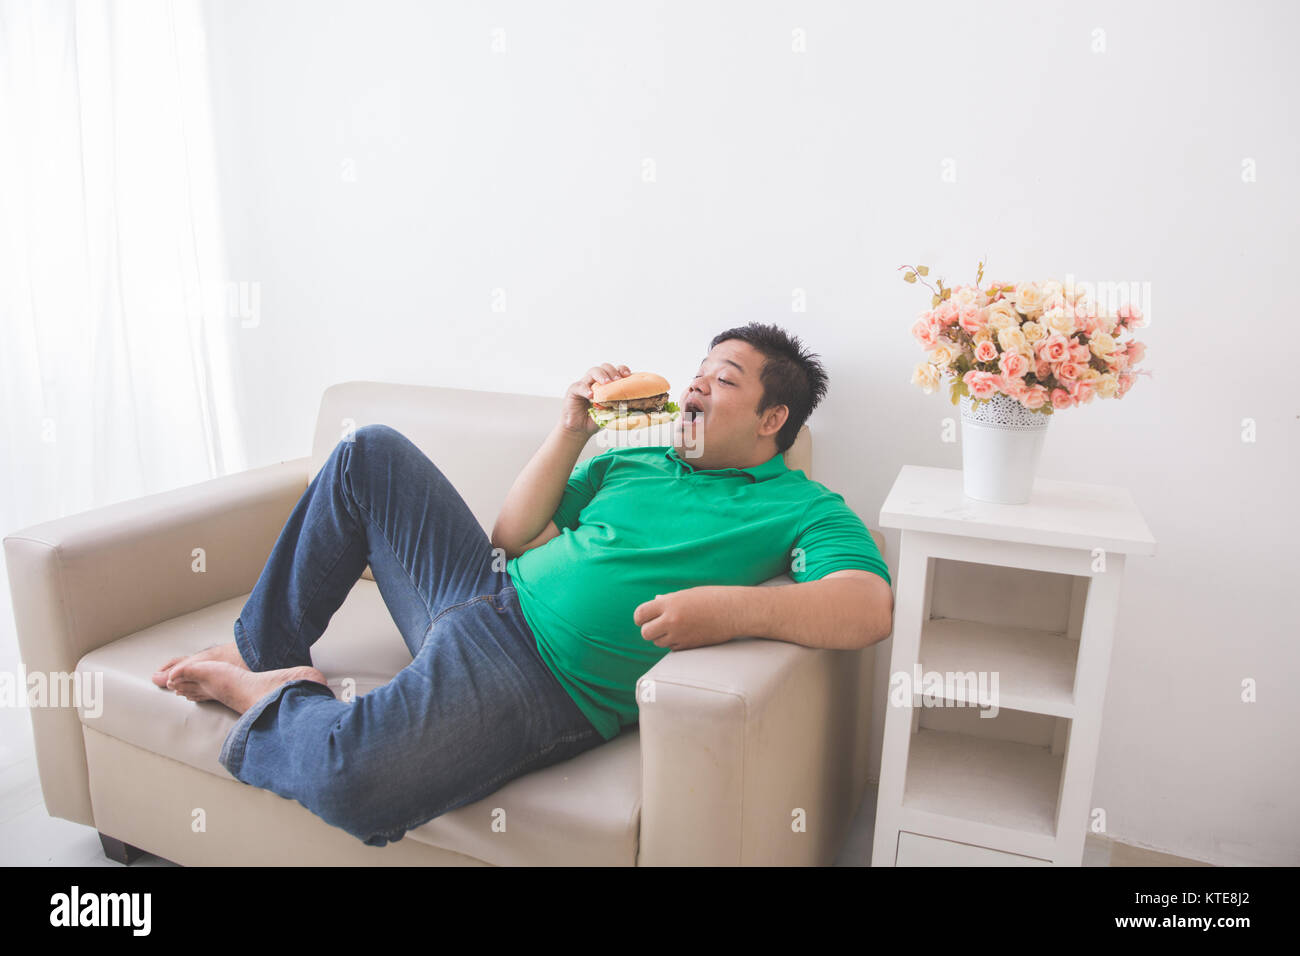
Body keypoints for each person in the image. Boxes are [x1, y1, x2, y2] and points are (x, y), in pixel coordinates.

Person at [151, 322, 894, 847]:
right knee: (368, 453)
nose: (696, 386)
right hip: (482, 590)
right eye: (697, 372)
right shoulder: (632, 455)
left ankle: (272, 700)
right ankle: (265, 650)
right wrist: (573, 427)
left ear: (773, 418)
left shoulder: (802, 506)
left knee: (357, 783)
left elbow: (866, 606)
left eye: (723, 380)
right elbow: (513, 535)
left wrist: (725, 611)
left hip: (537, 677)